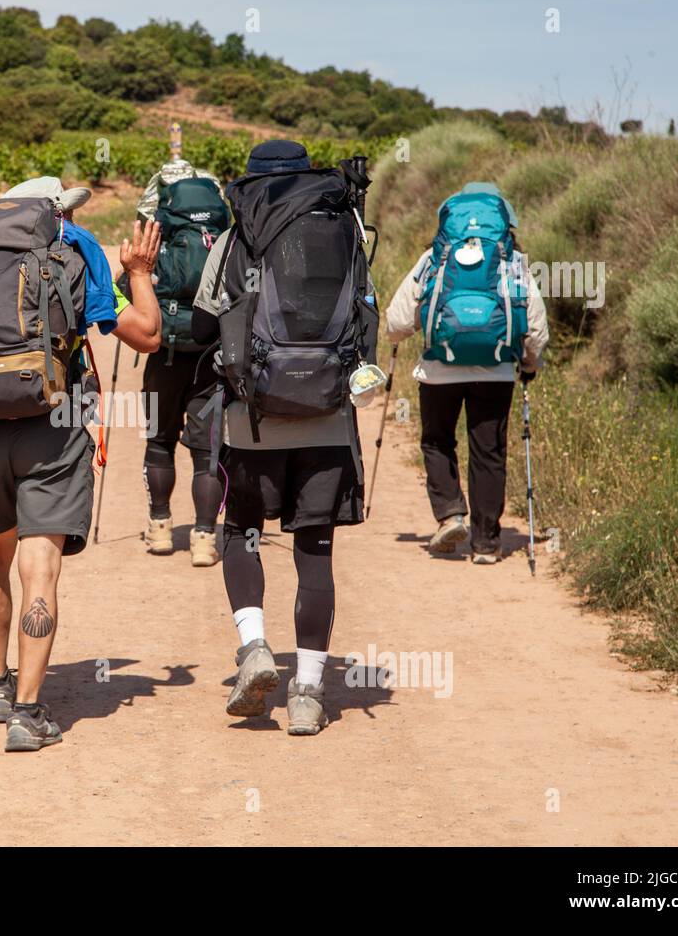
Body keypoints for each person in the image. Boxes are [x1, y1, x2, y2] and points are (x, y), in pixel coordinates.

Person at [0, 177, 161, 752]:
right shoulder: (75, 250)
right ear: (54, 212)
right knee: (40, 568)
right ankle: (28, 712)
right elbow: (146, 335)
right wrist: (141, 273)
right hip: (55, 423)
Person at [189, 140, 374, 736]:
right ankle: (310, 694)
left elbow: (202, 323)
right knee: (314, 548)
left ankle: (255, 648)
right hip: (327, 416)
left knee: (242, 531)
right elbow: (364, 314)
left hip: (253, 419)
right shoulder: (346, 225)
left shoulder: (239, 232)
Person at [385, 182, 549, 564]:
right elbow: (536, 326)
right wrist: (529, 363)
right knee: (487, 452)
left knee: (437, 441)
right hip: (495, 371)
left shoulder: (434, 257)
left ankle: (450, 514)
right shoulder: (513, 261)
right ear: (505, 221)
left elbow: (396, 319)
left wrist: (400, 336)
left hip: (439, 368)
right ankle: (487, 544)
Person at [125, 157, 229, 566]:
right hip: (212, 355)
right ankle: (205, 537)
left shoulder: (157, 229)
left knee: (159, 440)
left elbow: (130, 289)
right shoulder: (220, 232)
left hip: (164, 354)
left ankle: (161, 527)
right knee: (207, 452)